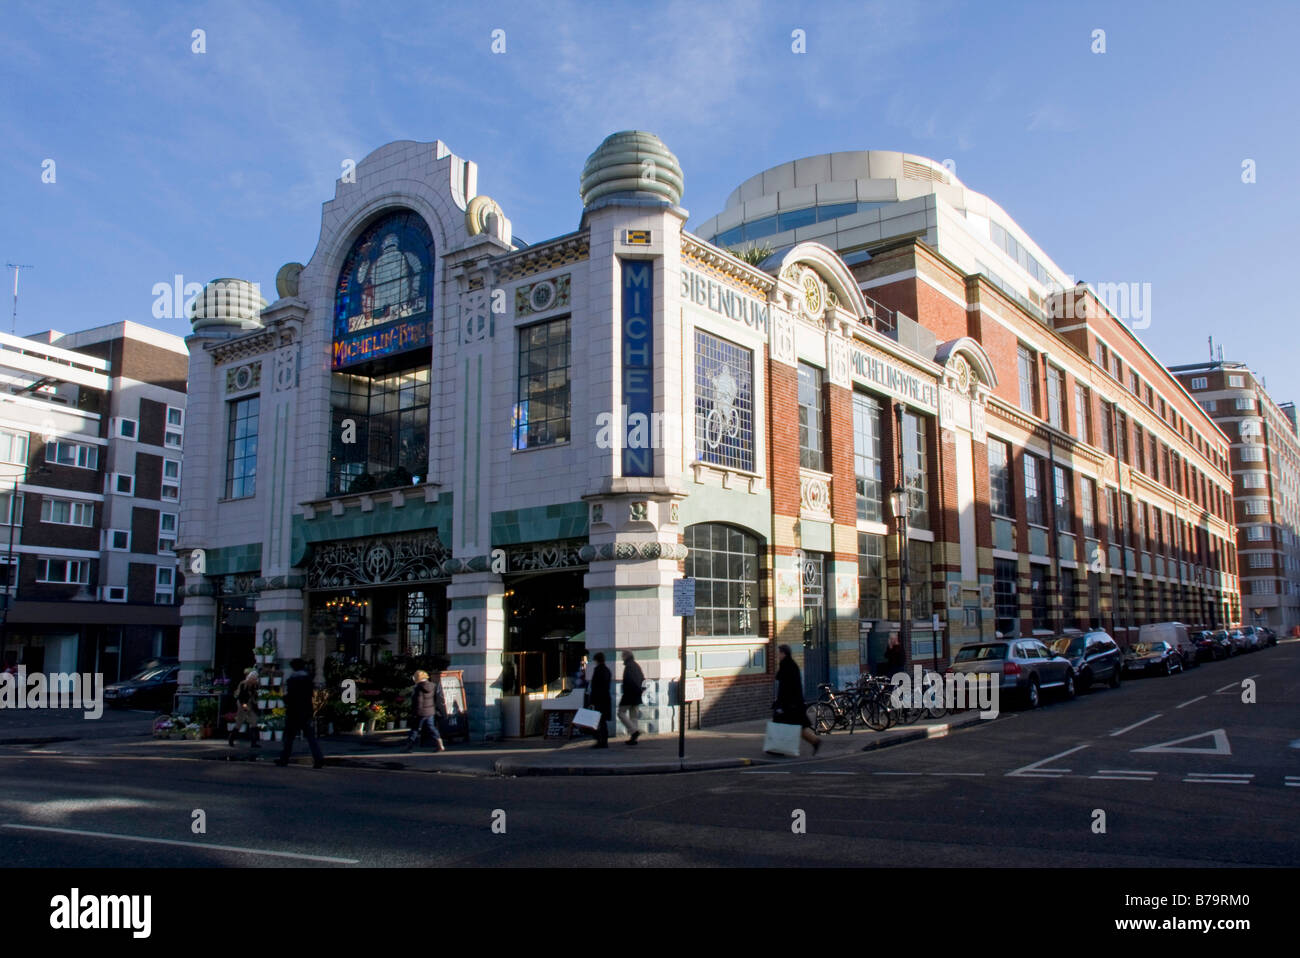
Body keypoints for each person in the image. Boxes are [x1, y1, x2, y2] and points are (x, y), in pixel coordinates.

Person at [275, 659, 325, 769]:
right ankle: (318, 759)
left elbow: (290, 697)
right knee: (311, 737)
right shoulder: (308, 680)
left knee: (289, 738)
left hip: (294, 712)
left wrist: (285, 699)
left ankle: (284, 759)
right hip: (306, 711)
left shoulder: (292, 680)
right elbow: (311, 695)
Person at [773, 644, 821, 755]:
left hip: (791, 704)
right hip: (792, 703)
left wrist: (782, 703)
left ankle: (779, 748)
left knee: (789, 726)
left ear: (784, 653)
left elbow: (787, 687)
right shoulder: (788, 664)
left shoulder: (788, 666)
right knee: (795, 726)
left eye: (779, 653)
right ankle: (815, 741)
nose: (777, 655)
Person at [404, 669, 446, 752]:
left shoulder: (418, 688)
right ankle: (440, 744)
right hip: (430, 711)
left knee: (415, 728)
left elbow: (419, 701)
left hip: (421, 712)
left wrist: (415, 713)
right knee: (431, 727)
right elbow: (434, 699)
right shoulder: (432, 686)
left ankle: (409, 746)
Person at [228, 668, 261, 748]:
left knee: (254, 720)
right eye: (253, 679)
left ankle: (254, 742)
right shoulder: (243, 684)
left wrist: (255, 703)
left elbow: (254, 696)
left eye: (255, 679)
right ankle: (231, 739)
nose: (254, 681)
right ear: (249, 678)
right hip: (242, 704)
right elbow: (241, 698)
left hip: (249, 703)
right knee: (239, 722)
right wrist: (245, 707)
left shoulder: (255, 685)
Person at [618, 650, 644, 745]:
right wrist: (640, 691)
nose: (622, 658)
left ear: (625, 656)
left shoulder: (629, 666)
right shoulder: (636, 665)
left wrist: (626, 692)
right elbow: (642, 679)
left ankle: (634, 731)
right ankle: (634, 738)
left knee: (621, 713)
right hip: (637, 694)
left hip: (629, 694)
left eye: (622, 656)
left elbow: (628, 681)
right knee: (634, 716)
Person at [589, 651, 612, 748]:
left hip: (598, 699)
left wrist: (591, 701)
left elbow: (594, 687)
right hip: (606, 698)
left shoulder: (597, 670)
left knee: (597, 721)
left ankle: (600, 741)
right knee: (602, 721)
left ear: (596, 660)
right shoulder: (607, 670)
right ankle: (604, 741)